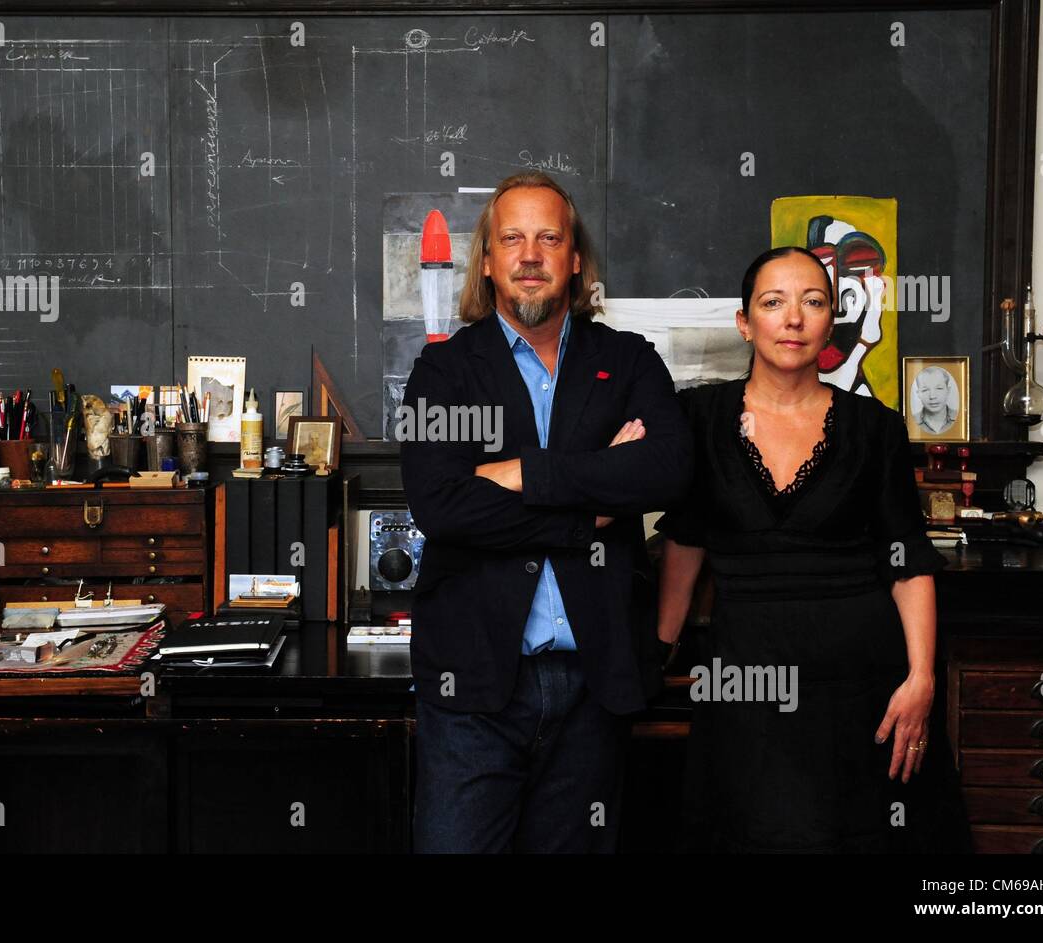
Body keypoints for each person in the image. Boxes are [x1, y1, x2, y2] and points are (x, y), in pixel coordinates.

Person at [400, 172, 692, 853]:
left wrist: (525, 472)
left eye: (549, 238)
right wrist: (588, 507)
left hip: (595, 687)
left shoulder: (625, 360)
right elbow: (440, 504)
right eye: (513, 238)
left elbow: (668, 468)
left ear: (575, 258)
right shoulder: (445, 372)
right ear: (488, 261)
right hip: (472, 689)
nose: (531, 254)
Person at [656, 245, 967, 853]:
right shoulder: (696, 417)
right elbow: (685, 542)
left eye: (813, 302)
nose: (793, 318)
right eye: (773, 303)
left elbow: (906, 559)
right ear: (745, 323)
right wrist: (657, 651)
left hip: (860, 689)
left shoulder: (875, 427)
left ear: (830, 322)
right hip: (746, 681)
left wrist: (922, 678)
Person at [914, 365, 958, 435]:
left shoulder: (959, 418)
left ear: (948, 391)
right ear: (918, 393)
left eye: (939, 388)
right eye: (925, 390)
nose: (932, 396)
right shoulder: (911, 421)